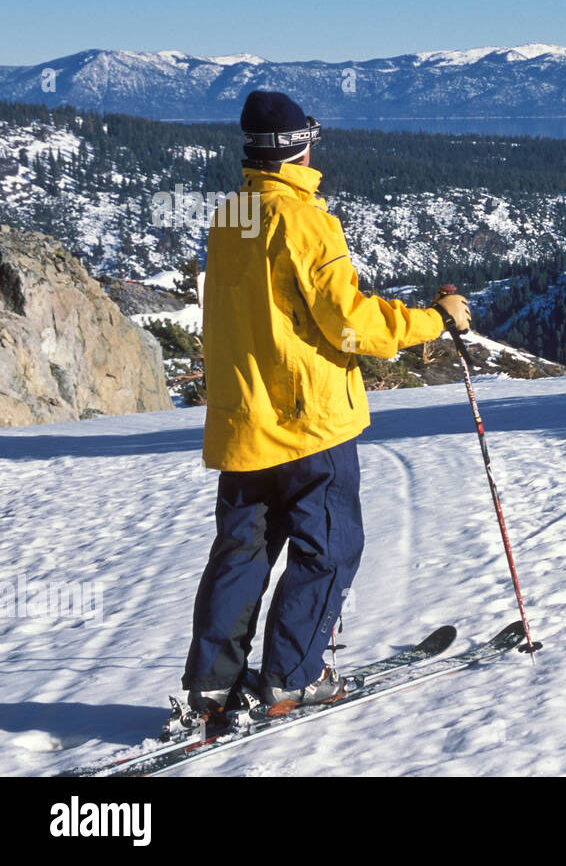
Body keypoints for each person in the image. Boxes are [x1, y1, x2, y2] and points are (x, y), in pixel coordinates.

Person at [182, 90, 470, 718]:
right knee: (329, 549)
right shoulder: (306, 220)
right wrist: (432, 321)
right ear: (296, 146)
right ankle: (293, 675)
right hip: (311, 423)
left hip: (244, 424)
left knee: (241, 554)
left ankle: (210, 686)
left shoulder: (231, 217)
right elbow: (348, 323)